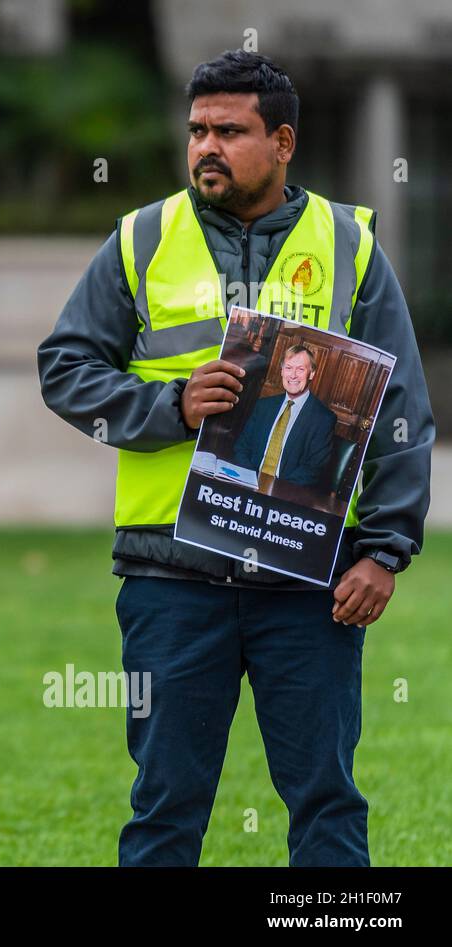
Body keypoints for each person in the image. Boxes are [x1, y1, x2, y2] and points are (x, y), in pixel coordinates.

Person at [38, 51, 433, 866]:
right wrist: (168, 407)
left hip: (308, 581)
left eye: (229, 131)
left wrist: (387, 549)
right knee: (164, 808)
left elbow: (400, 410)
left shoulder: (349, 244)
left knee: (325, 798)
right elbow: (65, 369)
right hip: (171, 578)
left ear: (282, 140)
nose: (205, 147)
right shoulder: (142, 239)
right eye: (196, 131)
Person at [232, 345, 337, 485]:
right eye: (288, 368)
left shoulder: (324, 419)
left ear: (311, 374)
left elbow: (314, 469)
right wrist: (250, 480)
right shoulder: (264, 406)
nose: (293, 375)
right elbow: (241, 447)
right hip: (248, 482)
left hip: (286, 493)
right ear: (281, 371)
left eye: (300, 369)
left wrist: (274, 490)